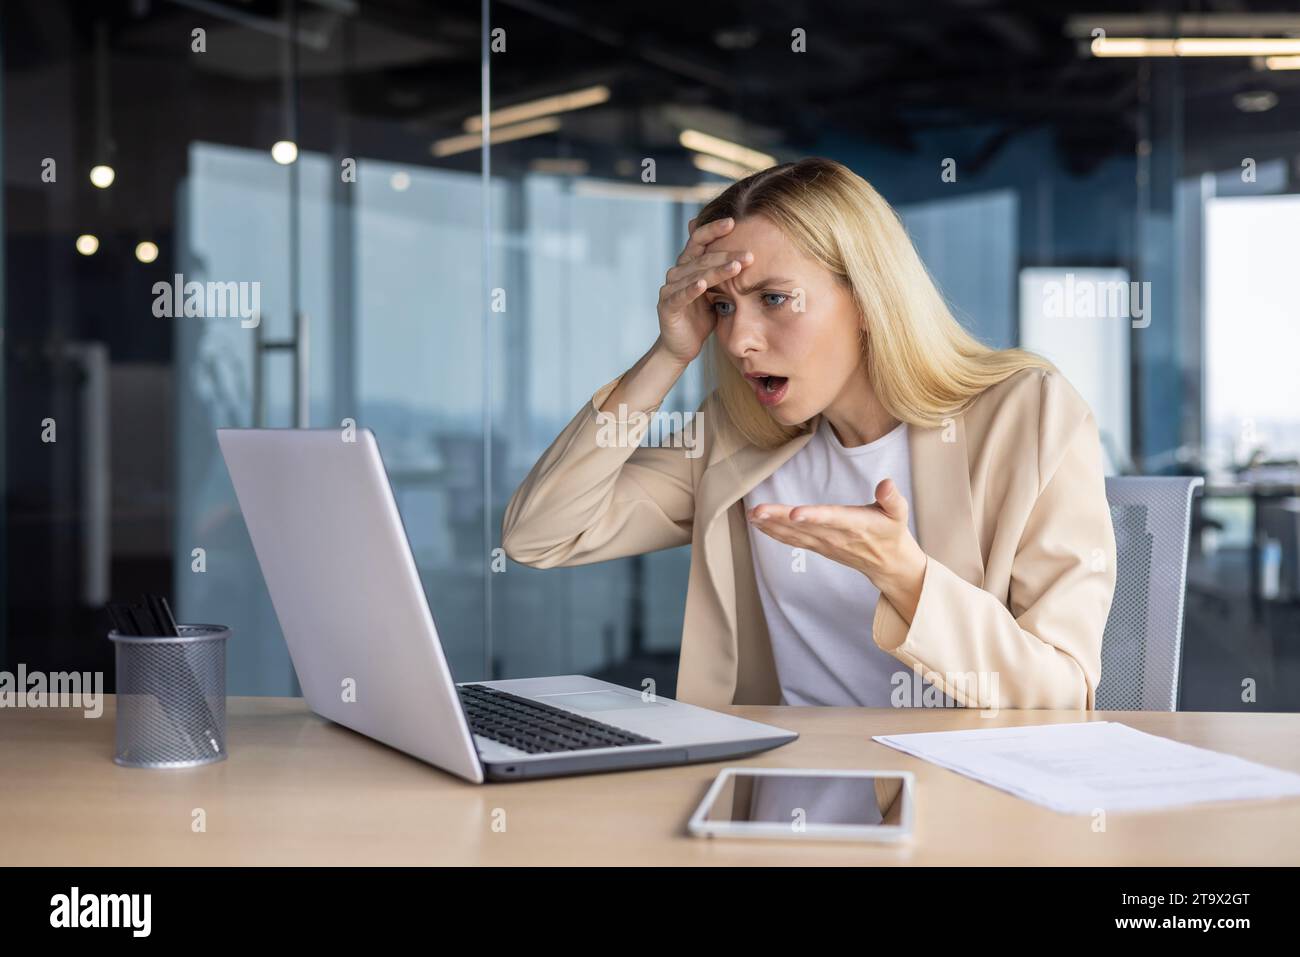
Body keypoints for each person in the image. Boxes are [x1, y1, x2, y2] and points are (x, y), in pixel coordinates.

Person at [502, 157, 1116, 711]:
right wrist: (667, 355)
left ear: (871, 297)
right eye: (722, 306)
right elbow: (542, 535)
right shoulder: (738, 431)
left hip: (954, 812)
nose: (740, 341)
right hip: (771, 802)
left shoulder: (1024, 416)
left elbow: (1061, 696)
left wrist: (905, 575)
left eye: (774, 298)